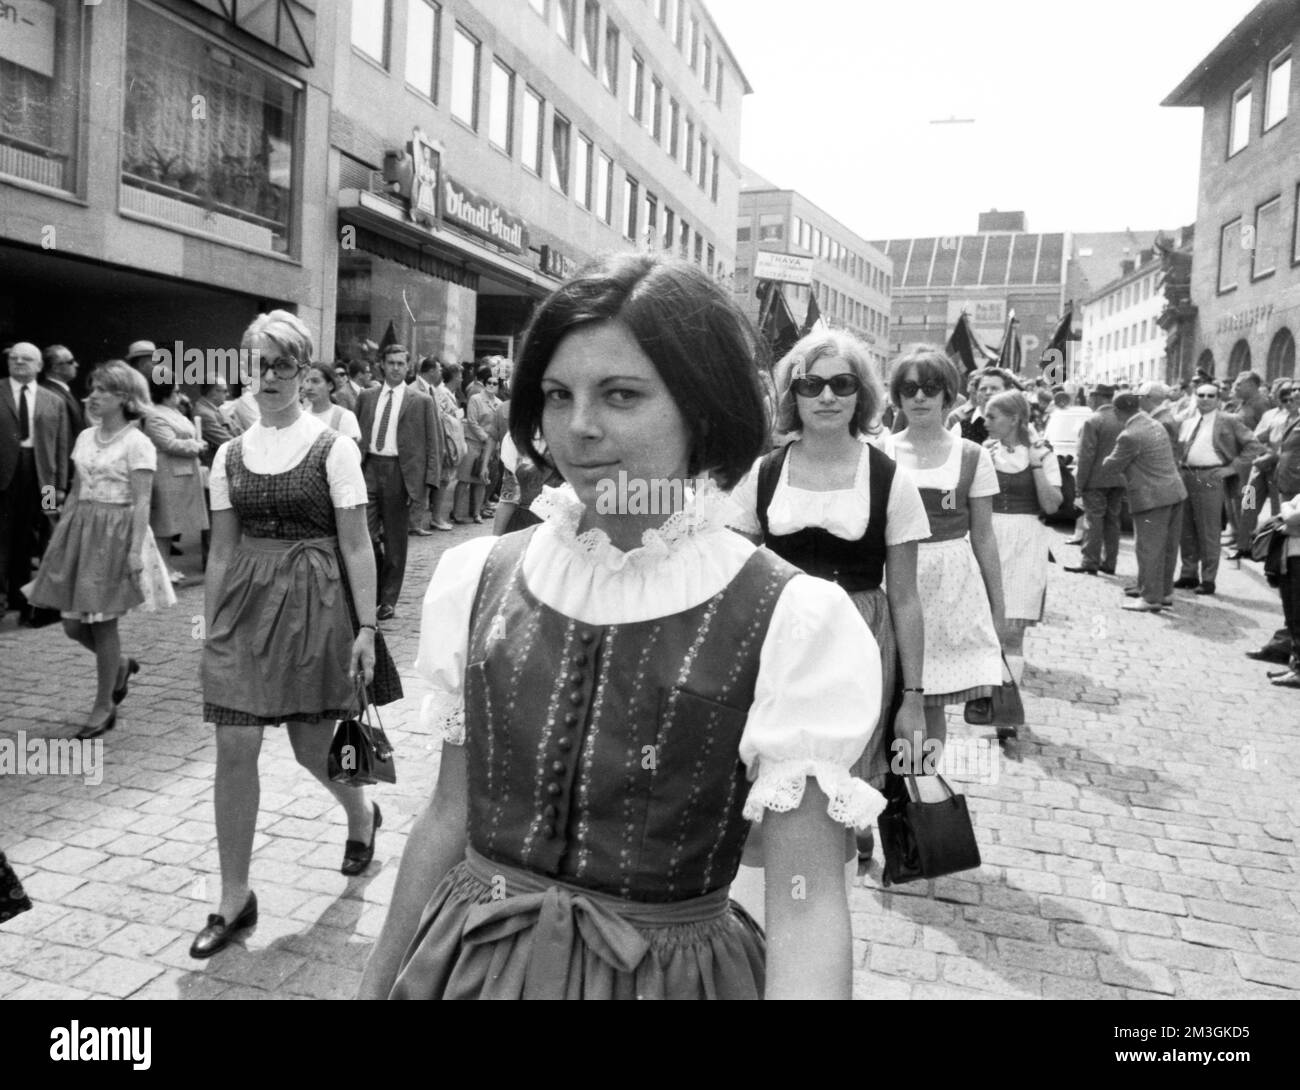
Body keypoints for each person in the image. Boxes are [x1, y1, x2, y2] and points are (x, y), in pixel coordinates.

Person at [360, 253, 883, 1000]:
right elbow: (448, 816)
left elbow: (806, 901)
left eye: (621, 395)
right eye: (557, 394)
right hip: (470, 965)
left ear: (701, 409)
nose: (579, 428)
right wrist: (378, 984)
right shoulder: (481, 578)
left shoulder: (793, 618)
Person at [194, 311, 402, 959]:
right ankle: (233, 897)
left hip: (315, 604)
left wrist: (367, 627)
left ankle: (360, 813)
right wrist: (210, 624)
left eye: (285, 364)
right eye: (259, 363)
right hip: (245, 608)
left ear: (306, 370)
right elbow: (221, 552)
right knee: (235, 746)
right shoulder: (228, 455)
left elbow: (358, 545)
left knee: (315, 750)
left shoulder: (333, 447)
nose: (271, 377)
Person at [728, 329, 928, 860]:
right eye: (810, 384)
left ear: (861, 393)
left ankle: (840, 860)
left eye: (841, 383)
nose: (826, 396)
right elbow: (734, 572)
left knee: (841, 778)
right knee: (778, 776)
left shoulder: (892, 480)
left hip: (857, 641)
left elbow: (906, 598)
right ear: (792, 395)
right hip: (781, 641)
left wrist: (914, 700)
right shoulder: (764, 473)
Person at [24, 362, 175, 738]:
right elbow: (75, 489)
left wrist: (134, 551)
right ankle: (120, 666)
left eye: (103, 391)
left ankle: (103, 705)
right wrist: (58, 537)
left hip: (117, 534)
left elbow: (142, 502)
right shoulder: (85, 437)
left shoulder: (137, 442)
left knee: (103, 624)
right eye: (93, 389)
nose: (93, 396)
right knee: (73, 624)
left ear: (125, 397)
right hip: (81, 530)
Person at [880, 348, 1005, 751]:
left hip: (949, 586)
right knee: (882, 692)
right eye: (910, 388)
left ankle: (921, 793)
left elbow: (984, 536)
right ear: (897, 396)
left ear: (947, 395)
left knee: (928, 699)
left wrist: (996, 608)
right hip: (891, 577)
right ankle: (885, 794)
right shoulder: (882, 453)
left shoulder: (972, 455)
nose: (919, 397)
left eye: (930, 388)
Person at [355, 343, 443, 619]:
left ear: (408, 367)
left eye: (400, 363)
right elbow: (356, 436)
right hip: (368, 467)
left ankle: (388, 599)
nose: (395, 368)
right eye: (390, 362)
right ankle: (371, 590)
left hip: (400, 472)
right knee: (364, 536)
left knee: (395, 541)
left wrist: (427, 485)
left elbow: (433, 444)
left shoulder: (421, 401)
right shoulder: (367, 397)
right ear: (382, 364)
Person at [983, 389, 1062, 687]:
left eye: (992, 416)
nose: (986, 421)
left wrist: (1036, 464)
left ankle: (1007, 705)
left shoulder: (1042, 453)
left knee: (1013, 631)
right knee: (990, 627)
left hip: (1027, 541)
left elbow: (1052, 504)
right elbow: (958, 499)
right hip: (989, 536)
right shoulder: (985, 451)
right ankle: (989, 696)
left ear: (1014, 419)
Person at [1100, 392, 1187, 613]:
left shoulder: (1129, 435)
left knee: (1148, 549)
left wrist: (1108, 460)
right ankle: (1164, 593)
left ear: (1117, 411)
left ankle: (1150, 597)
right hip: (1174, 492)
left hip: (1151, 498)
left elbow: (1110, 466)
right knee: (1168, 548)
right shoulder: (1155, 424)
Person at [2, 342, 70, 621]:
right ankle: (3, 597)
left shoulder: (52, 400)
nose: (18, 362)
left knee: (44, 530)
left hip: (45, 479)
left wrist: (60, 487)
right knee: (4, 534)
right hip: (5, 476)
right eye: (14, 358)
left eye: (26, 359)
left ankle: (31, 599)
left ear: (39, 366)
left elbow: (61, 447)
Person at [1173, 384, 1262, 596]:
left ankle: (1209, 578)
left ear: (1217, 399)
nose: (1205, 399)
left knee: (1208, 530)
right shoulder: (1188, 420)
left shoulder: (1229, 420)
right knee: (1186, 529)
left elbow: (1254, 445)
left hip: (1210, 477)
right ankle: (1188, 573)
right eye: (1201, 395)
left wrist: (1231, 468)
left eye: (1210, 396)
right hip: (1186, 475)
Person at [1245, 385, 1300, 663]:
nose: (1293, 401)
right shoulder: (1285, 419)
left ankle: (1289, 647)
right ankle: (1286, 644)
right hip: (1290, 491)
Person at [144, 380, 209, 583]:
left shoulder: (174, 412)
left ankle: (166, 565)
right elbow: (168, 443)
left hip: (183, 472)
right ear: (164, 394)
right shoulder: (154, 415)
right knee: (165, 523)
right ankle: (161, 567)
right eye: (176, 392)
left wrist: (197, 444)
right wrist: (196, 445)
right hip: (167, 474)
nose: (179, 396)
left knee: (174, 524)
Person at [1066, 383, 1124, 576]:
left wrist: (1079, 484)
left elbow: (1085, 456)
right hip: (1119, 479)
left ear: (1098, 397)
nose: (1088, 400)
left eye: (1090, 396)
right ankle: (1110, 562)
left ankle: (1090, 561)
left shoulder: (1093, 420)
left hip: (1096, 480)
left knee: (1093, 520)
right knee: (1113, 520)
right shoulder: (1123, 419)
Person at [452, 363, 494, 524]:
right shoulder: (475, 399)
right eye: (489, 382)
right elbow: (472, 421)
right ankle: (456, 512)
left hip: (487, 447)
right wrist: (486, 438)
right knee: (464, 479)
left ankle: (476, 513)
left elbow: (497, 425)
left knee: (482, 480)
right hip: (473, 442)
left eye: (495, 383)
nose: (492, 386)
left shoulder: (496, 402)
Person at [947, 367, 1016, 445]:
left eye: (994, 388)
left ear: (1007, 392)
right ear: (976, 393)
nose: (988, 392)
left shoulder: (1017, 426)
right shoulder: (960, 429)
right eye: (983, 389)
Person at [301, 363, 363, 445]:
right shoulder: (302, 416)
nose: (309, 387)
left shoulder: (345, 417)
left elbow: (349, 454)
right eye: (306, 381)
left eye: (315, 381)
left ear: (330, 385)